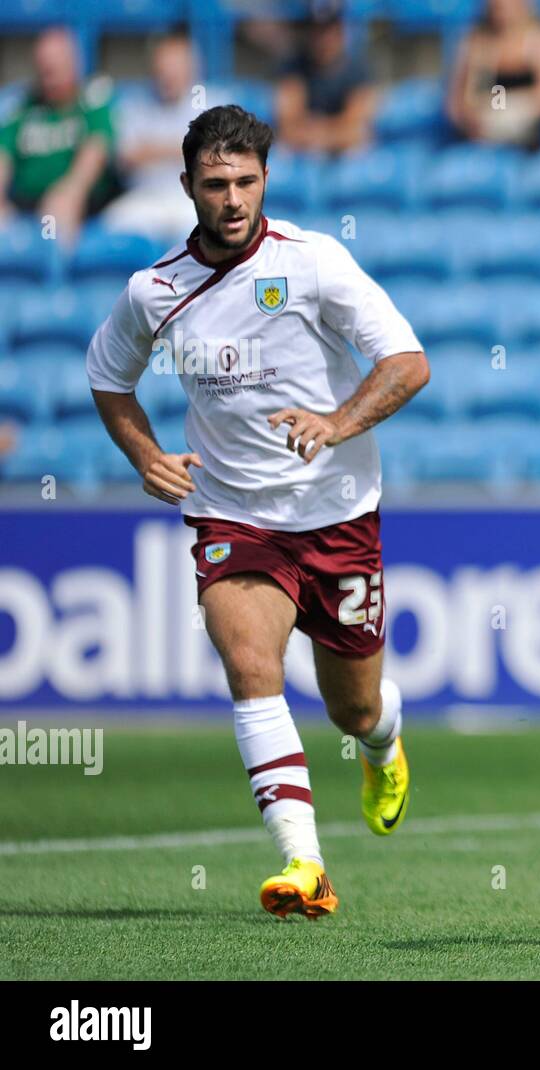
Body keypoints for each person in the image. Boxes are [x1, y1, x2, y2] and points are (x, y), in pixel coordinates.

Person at [86, 105, 429, 919]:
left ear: (265, 180)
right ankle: (304, 865)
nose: (232, 198)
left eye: (245, 181)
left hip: (339, 513)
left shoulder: (314, 263)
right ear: (187, 188)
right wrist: (146, 456)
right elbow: (108, 376)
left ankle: (382, 746)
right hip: (231, 515)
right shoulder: (154, 291)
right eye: (215, 184)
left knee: (355, 707)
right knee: (250, 666)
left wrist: (338, 423)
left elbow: (409, 363)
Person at [0, 26, 115, 242]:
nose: (49, 78)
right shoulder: (23, 107)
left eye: (55, 69)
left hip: (79, 203)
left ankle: (54, 275)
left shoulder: (91, 101)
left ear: (74, 64)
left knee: (55, 214)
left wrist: (70, 189)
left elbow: (96, 148)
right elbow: (3, 157)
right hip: (24, 202)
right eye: (43, 70)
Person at [103, 30, 206, 241]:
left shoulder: (210, 103)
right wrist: (183, 148)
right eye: (162, 68)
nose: (167, 76)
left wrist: (151, 149)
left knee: (203, 225)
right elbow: (126, 157)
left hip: (190, 198)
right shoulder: (134, 105)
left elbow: (212, 155)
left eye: (175, 69)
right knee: (111, 225)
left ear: (191, 69)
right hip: (145, 196)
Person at [445, 0, 540, 153]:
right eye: (497, 4)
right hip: (483, 145)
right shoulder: (476, 45)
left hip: (535, 147)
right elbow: (460, 105)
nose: (503, 6)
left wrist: (512, 112)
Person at [274, 3, 376, 155]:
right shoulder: (293, 68)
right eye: (316, 30)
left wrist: (318, 133)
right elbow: (288, 128)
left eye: (329, 29)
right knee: (281, 152)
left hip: (340, 153)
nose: (323, 38)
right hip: (304, 152)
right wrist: (331, 132)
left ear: (340, 30)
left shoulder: (358, 69)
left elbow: (356, 130)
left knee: (359, 152)